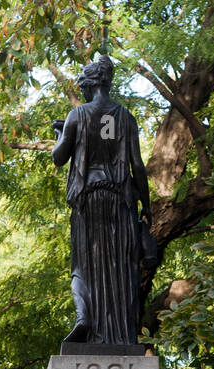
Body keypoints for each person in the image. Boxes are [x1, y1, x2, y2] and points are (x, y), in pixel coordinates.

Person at [52, 54, 152, 346]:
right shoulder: (124, 117)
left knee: (83, 264)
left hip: (88, 199)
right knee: (121, 267)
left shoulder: (78, 115)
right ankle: (120, 334)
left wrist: (60, 133)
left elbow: (59, 157)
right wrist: (146, 205)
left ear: (90, 84)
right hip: (120, 202)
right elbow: (139, 166)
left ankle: (86, 318)